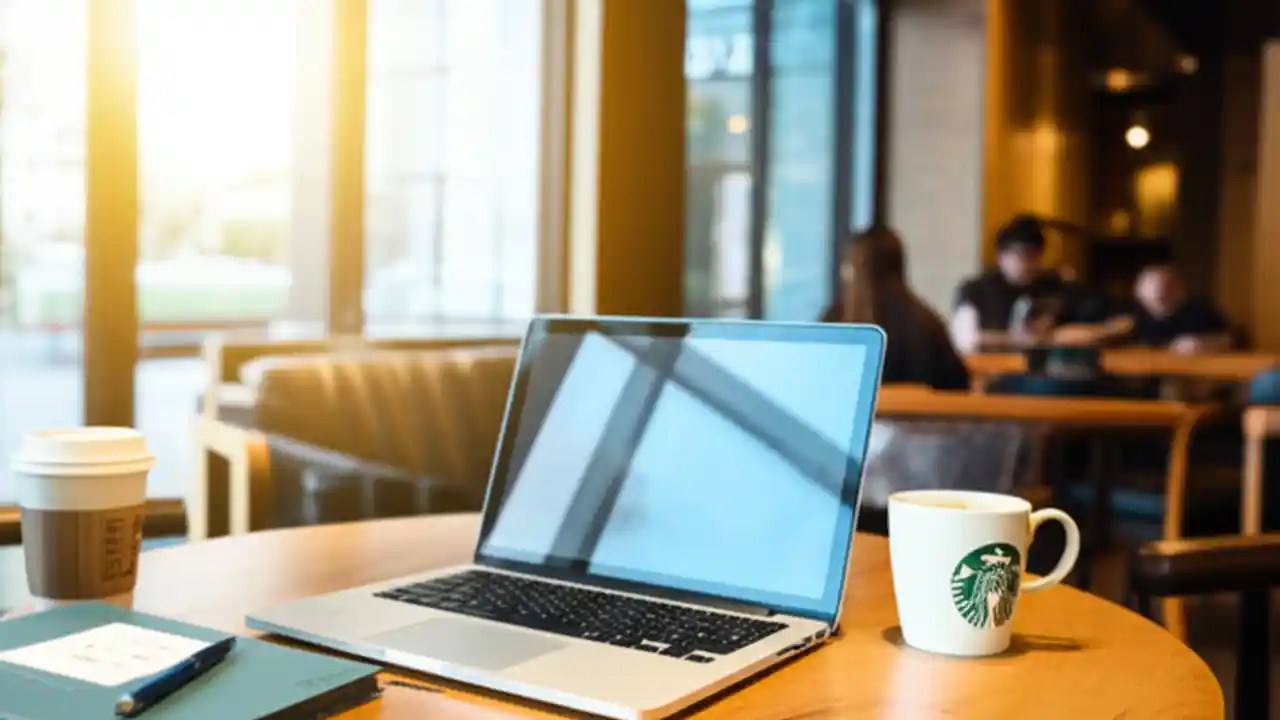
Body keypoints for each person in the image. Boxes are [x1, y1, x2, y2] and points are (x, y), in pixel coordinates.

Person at [821, 226, 970, 390]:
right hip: (918, 407)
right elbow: (957, 385)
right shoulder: (927, 322)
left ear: (853, 269)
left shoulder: (835, 320)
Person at [950, 215, 1109, 353]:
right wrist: (1017, 339)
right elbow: (965, 339)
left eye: (1034, 256)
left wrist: (1051, 334)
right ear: (1001, 256)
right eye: (1020, 255)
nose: (1028, 263)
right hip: (989, 368)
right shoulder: (975, 290)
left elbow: (1099, 325)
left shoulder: (1055, 288)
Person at [1125, 265, 1231, 354]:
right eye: (1151, 286)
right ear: (1138, 292)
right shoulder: (1132, 317)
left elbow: (1230, 339)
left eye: (1168, 285)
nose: (1160, 292)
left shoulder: (1200, 312)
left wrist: (1202, 343)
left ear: (1181, 289)